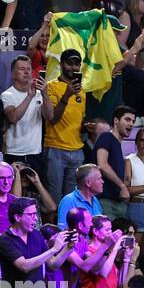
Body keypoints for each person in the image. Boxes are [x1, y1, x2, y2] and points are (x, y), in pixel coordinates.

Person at [44, 49, 89, 206]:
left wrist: (87, 127)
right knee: (54, 198)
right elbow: (53, 118)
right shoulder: (51, 87)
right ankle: (53, 230)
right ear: (62, 64)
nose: (73, 67)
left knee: (71, 201)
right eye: (69, 63)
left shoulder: (81, 91)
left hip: (77, 151)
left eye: (77, 64)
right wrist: (66, 95)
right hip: (56, 149)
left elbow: (77, 120)